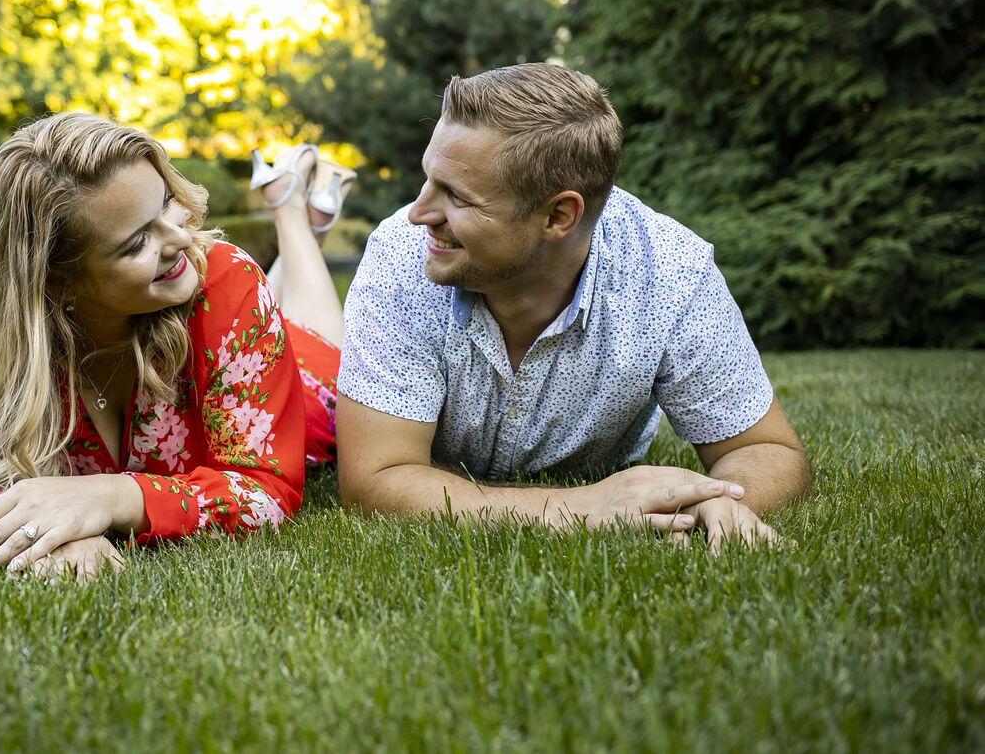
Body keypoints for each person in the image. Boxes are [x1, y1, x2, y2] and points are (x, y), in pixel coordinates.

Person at [336, 63, 808, 550]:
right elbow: (374, 478)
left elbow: (764, 448)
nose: (418, 213)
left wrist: (715, 502)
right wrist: (581, 508)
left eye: (457, 197)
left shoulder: (670, 271)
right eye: (428, 179)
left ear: (559, 215)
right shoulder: (401, 254)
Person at [0, 112, 354, 580]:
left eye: (166, 204)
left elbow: (265, 490)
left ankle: (292, 212)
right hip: (236, 331)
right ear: (58, 282)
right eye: (138, 241)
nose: (181, 237)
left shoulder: (222, 274)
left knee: (325, 350)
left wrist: (111, 497)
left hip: (298, 374)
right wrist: (62, 533)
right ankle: (298, 211)